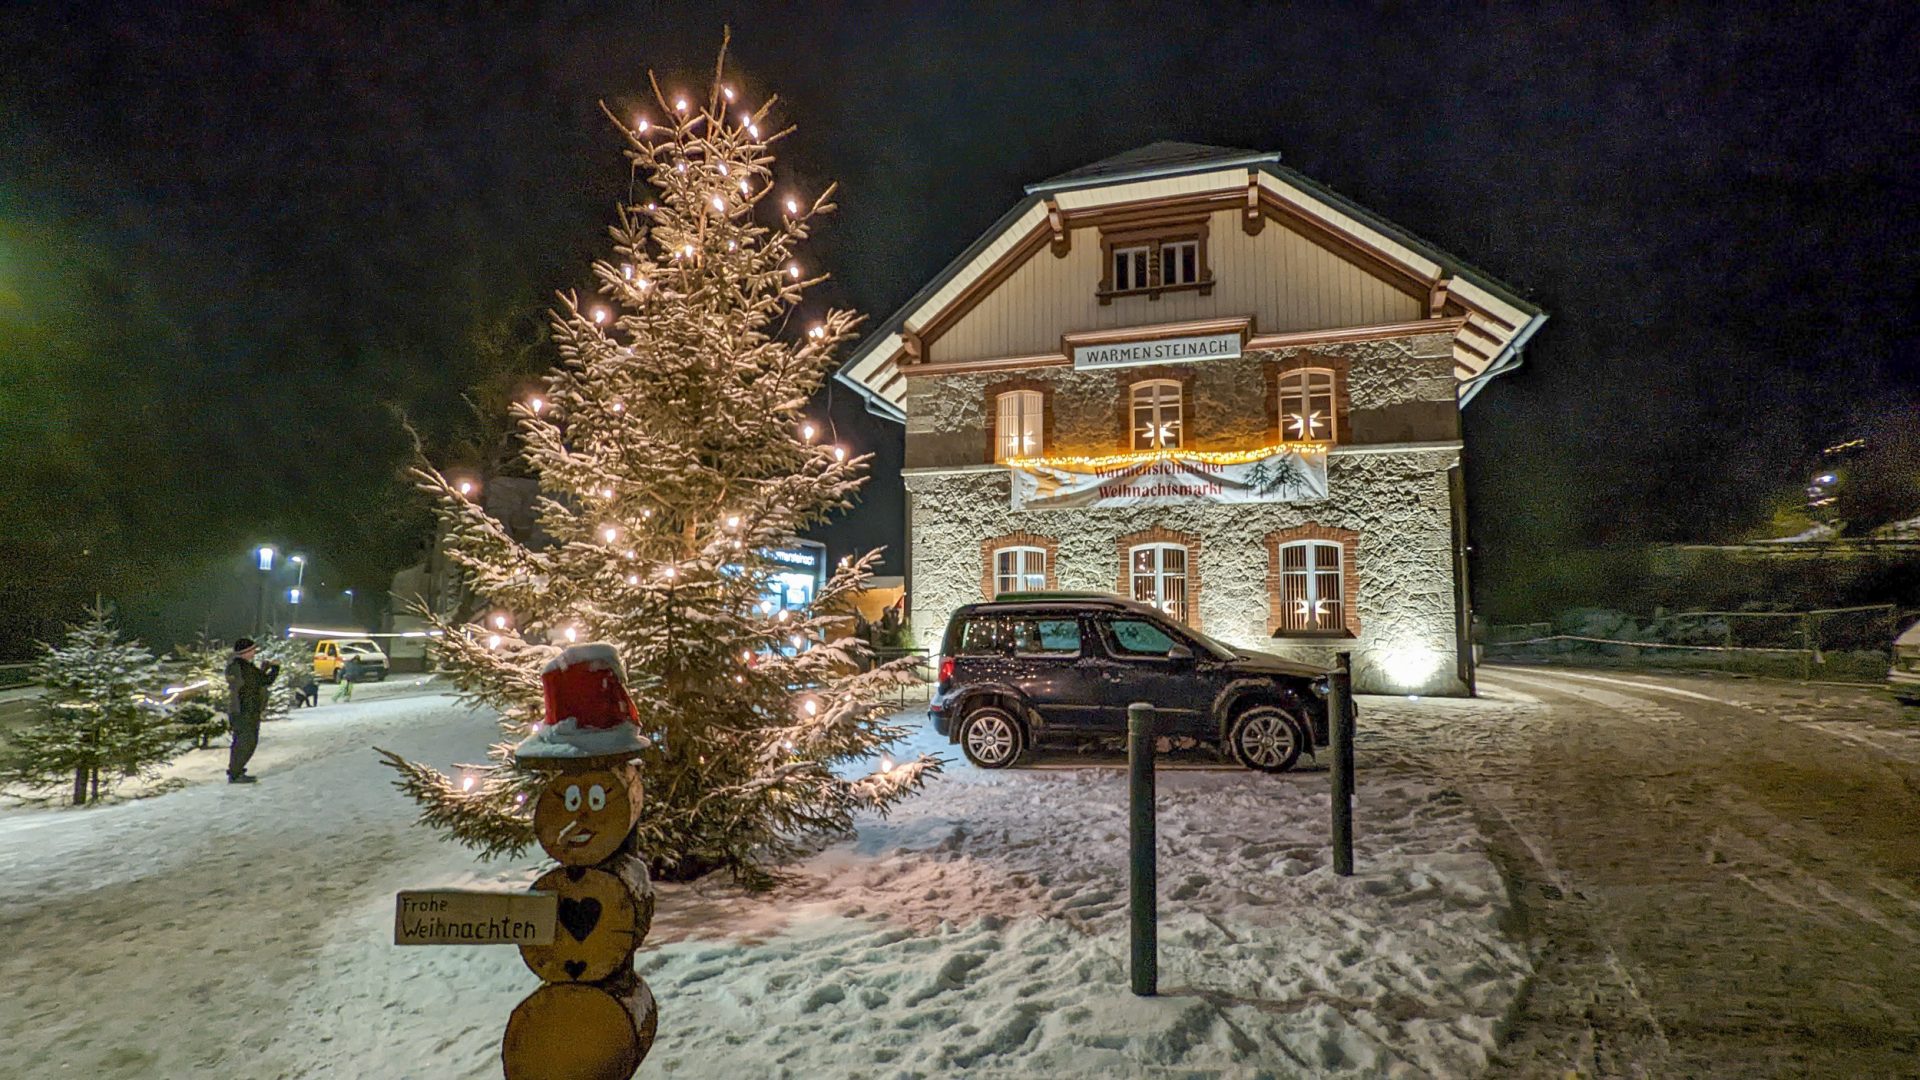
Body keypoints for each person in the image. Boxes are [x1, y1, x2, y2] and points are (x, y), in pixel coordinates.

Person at [224, 638, 280, 784]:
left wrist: (263, 669)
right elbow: (263, 681)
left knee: (242, 741)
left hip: (242, 710)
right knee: (246, 742)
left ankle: (236, 771)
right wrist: (275, 668)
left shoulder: (239, 667)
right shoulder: (243, 668)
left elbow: (254, 681)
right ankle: (235, 773)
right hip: (245, 710)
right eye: (252, 650)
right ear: (245, 652)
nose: (254, 652)